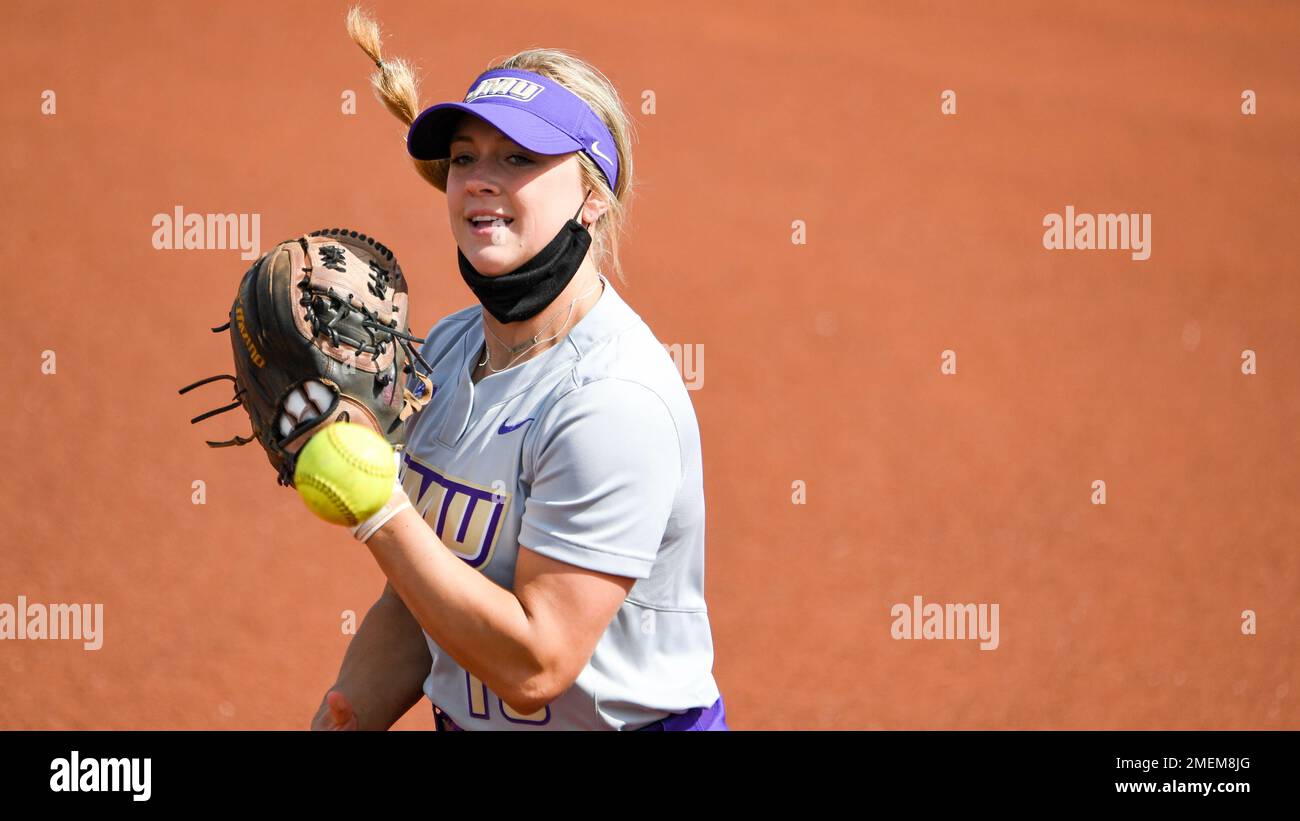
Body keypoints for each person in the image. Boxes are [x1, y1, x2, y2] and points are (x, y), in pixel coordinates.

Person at [310, 12, 725, 731]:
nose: (479, 181)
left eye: (518, 161)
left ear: (594, 197)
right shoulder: (444, 351)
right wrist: (343, 717)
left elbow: (537, 662)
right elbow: (422, 601)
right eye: (465, 158)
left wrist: (375, 506)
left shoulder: (611, 400)